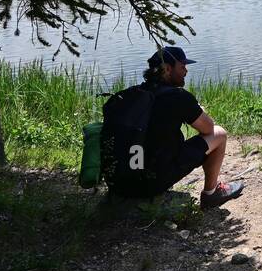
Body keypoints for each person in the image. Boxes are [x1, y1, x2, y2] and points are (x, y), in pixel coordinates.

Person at [103, 47, 243, 208]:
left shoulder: (130, 95)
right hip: (150, 183)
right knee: (219, 134)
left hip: (118, 182)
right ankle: (211, 194)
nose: (186, 71)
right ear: (167, 69)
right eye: (182, 66)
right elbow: (208, 129)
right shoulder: (178, 97)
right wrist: (199, 110)